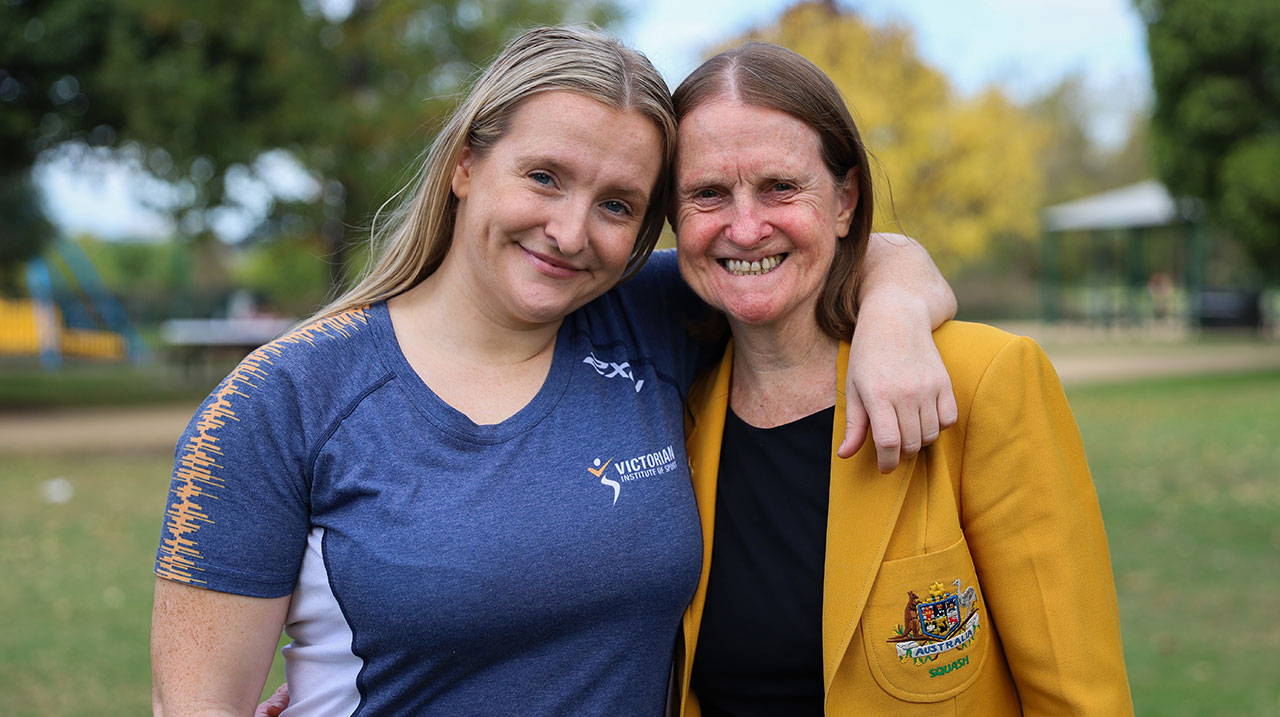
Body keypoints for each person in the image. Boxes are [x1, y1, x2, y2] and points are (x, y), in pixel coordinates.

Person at [151, 26, 956, 716]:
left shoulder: (649, 317)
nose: (570, 232)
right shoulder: (280, 402)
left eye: (617, 205)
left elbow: (825, 248)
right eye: (544, 177)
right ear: (466, 164)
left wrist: (891, 317)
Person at [670, 43, 1133, 714]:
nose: (746, 227)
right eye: (708, 193)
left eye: (779, 186)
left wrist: (895, 295)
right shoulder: (667, 402)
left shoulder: (983, 381)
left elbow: (1079, 696)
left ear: (845, 198)